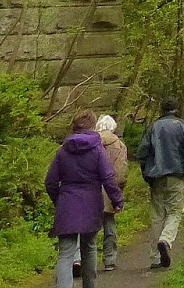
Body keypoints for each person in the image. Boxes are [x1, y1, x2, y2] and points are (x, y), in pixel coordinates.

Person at [45, 111, 123, 288]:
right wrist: (117, 200)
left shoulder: (62, 151)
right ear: (93, 127)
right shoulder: (97, 150)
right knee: (89, 247)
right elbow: (108, 178)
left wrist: (59, 201)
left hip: (67, 206)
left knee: (66, 254)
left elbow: (50, 182)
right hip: (91, 206)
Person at [135, 96, 184, 269]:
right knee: (175, 211)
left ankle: (156, 258)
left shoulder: (153, 127)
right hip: (176, 175)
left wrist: (146, 173)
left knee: (157, 214)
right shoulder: (182, 126)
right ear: (176, 109)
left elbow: (141, 152)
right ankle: (166, 240)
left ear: (161, 109)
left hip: (156, 176)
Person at [95, 115, 129, 271]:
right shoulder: (119, 146)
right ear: (113, 127)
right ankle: (109, 260)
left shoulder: (91, 143)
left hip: (90, 190)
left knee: (89, 227)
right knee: (109, 225)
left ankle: (85, 260)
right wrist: (118, 192)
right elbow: (121, 173)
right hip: (109, 191)